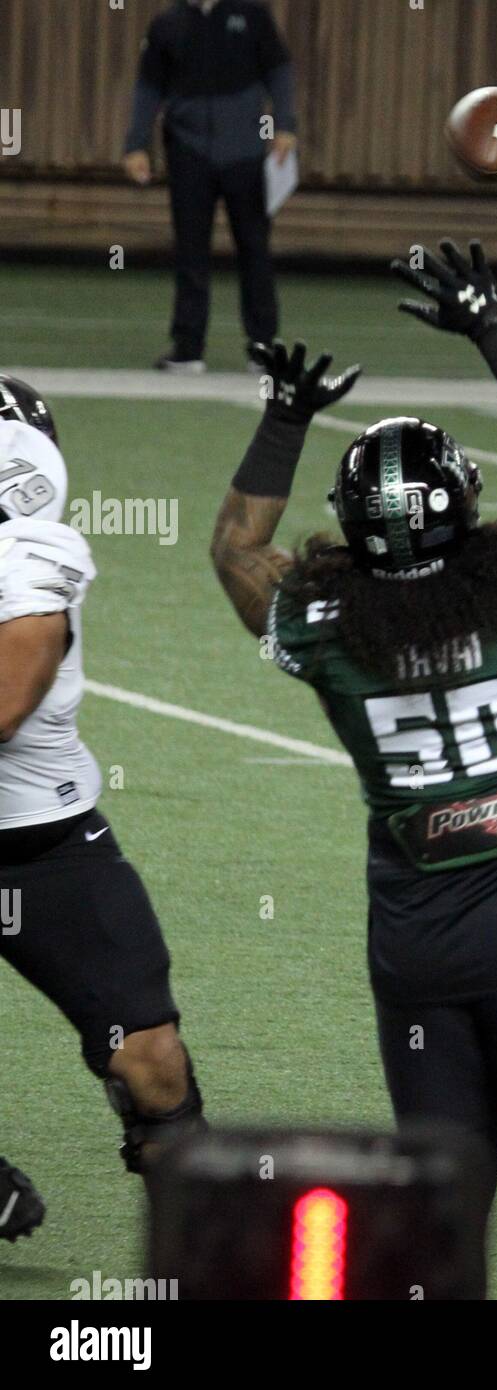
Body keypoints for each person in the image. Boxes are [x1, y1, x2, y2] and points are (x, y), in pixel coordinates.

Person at [209, 241, 497, 1300]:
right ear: (465, 510)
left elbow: (237, 549)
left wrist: (284, 415)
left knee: (438, 1226)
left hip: (422, 957)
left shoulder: (327, 623)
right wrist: (489, 324)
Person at [0, 376, 205, 1224]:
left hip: (41, 841)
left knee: (149, 1057)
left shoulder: (33, 554)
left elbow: (5, 705)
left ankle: (201, 1242)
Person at [123, 0, 298, 373]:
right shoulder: (166, 24)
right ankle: (188, 348)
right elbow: (148, 88)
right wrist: (136, 144)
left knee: (254, 248)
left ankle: (264, 347)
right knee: (190, 251)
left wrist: (285, 124)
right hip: (188, 153)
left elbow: (279, 71)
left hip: (245, 154)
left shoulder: (252, 15)